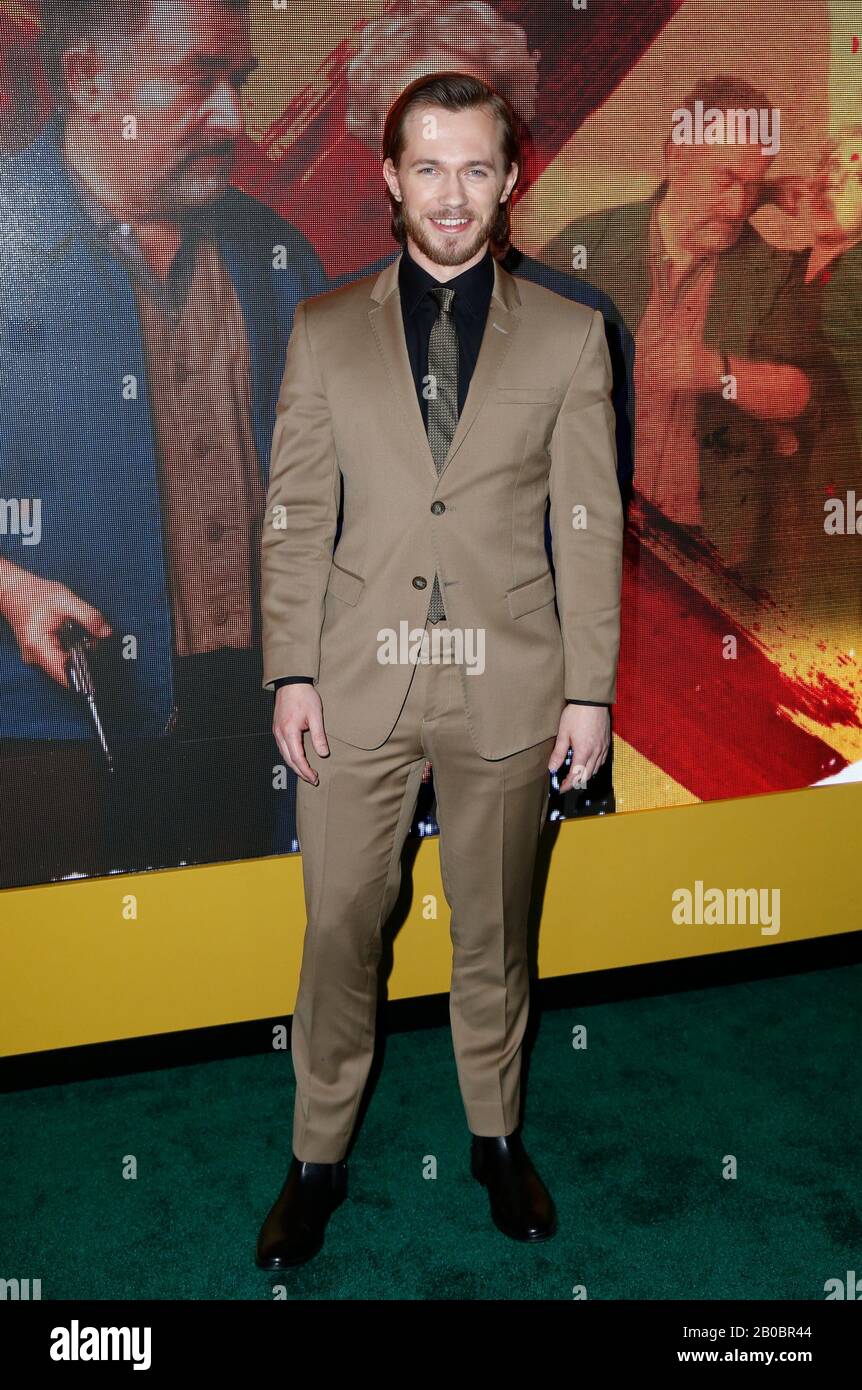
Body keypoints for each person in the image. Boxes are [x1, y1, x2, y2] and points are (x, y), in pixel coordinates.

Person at [255, 72, 623, 1268]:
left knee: (494, 931)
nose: (452, 194)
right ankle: (315, 1157)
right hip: (356, 681)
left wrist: (589, 690)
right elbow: (298, 514)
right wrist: (289, 672)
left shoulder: (572, 336)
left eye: (476, 168)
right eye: (428, 166)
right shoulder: (319, 331)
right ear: (389, 177)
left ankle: (496, 1137)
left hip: (511, 683)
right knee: (339, 931)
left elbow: (586, 524)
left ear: (510, 180)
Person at [0, 0, 325, 886]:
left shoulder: (277, 254)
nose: (230, 118)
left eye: (240, 82)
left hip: (252, 724)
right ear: (87, 79)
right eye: (196, 78)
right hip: (47, 744)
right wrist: (11, 587)